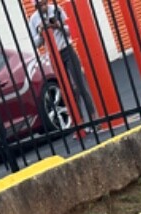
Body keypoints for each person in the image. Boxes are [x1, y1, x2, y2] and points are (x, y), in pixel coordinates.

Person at [28, 0, 97, 129]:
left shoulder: (56, 9)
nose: (43, 7)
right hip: (53, 55)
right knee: (68, 89)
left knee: (79, 85)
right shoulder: (33, 19)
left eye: (44, 3)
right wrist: (41, 32)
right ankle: (79, 122)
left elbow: (70, 31)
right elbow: (36, 44)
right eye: (39, 5)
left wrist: (58, 25)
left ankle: (93, 118)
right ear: (35, 6)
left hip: (66, 49)